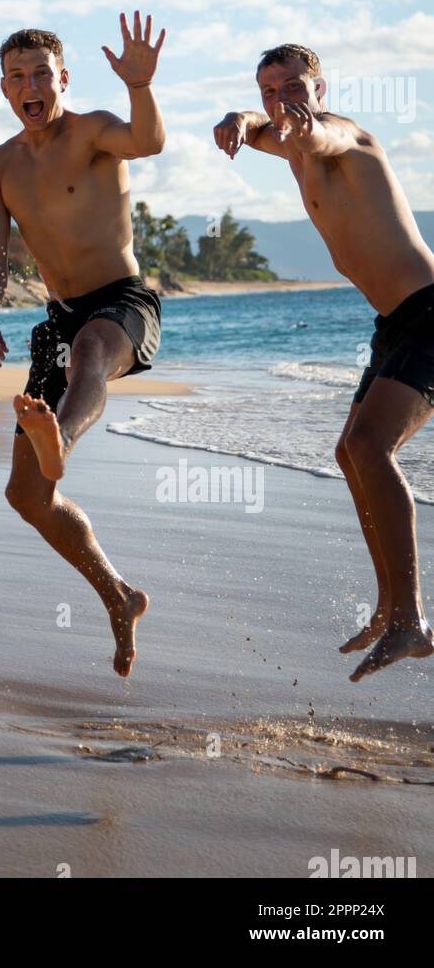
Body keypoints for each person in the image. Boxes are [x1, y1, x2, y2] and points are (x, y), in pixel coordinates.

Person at [214, 43, 434, 681]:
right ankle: (392, 605)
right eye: (268, 90)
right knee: (350, 452)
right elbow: (268, 130)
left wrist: (293, 121)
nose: (281, 99)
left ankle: (411, 619)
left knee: (371, 448)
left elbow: (319, 133)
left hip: (429, 316)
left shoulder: (345, 137)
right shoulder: (286, 143)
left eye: (293, 86)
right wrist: (240, 117)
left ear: (321, 87)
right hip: (395, 324)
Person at [0, 12, 166, 676]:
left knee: (88, 355)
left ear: (62, 79)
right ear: (3, 88)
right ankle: (118, 595)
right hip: (60, 314)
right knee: (26, 497)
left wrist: (139, 85)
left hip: (121, 302)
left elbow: (148, 139)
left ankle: (61, 442)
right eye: (17, 77)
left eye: (41, 74)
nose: (30, 86)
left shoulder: (94, 130)